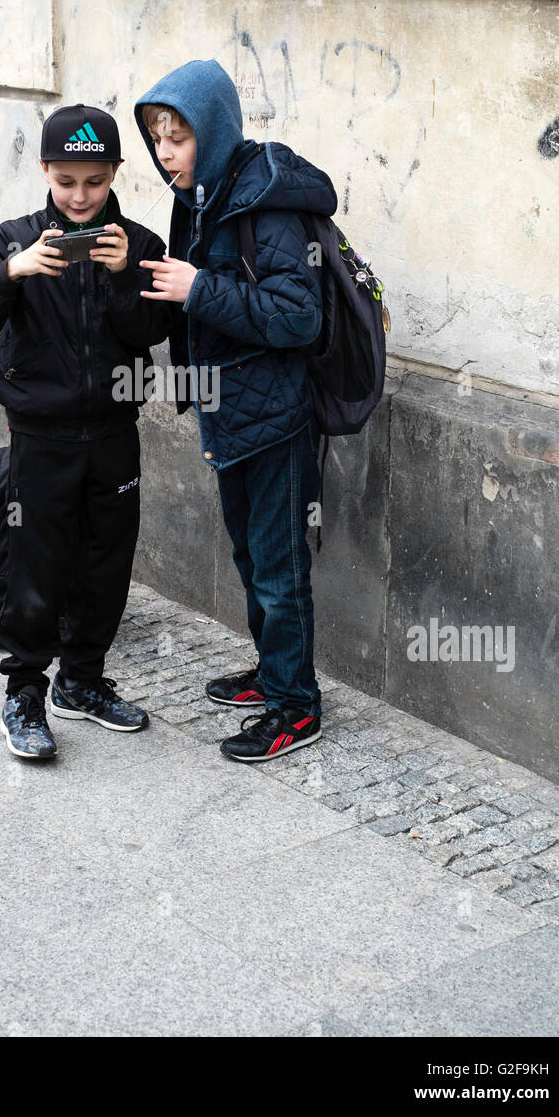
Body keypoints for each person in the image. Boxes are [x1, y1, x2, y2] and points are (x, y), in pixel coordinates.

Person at [0, 104, 175, 760]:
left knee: (107, 562)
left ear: (114, 175)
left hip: (113, 432)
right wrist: (12, 271)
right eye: (67, 180)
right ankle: (23, 694)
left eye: (94, 182)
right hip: (40, 437)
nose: (80, 196)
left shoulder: (139, 243)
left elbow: (153, 331)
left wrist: (125, 273)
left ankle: (82, 682)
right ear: (46, 171)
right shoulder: (15, 237)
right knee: (37, 567)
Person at [134, 60, 337, 762]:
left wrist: (197, 290)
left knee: (280, 570)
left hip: (276, 418)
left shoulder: (265, 204)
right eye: (157, 138)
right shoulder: (198, 197)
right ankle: (272, 672)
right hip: (230, 413)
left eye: (178, 137)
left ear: (213, 133)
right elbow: (200, 301)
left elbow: (297, 317)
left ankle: (296, 706)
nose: (165, 153)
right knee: (251, 555)